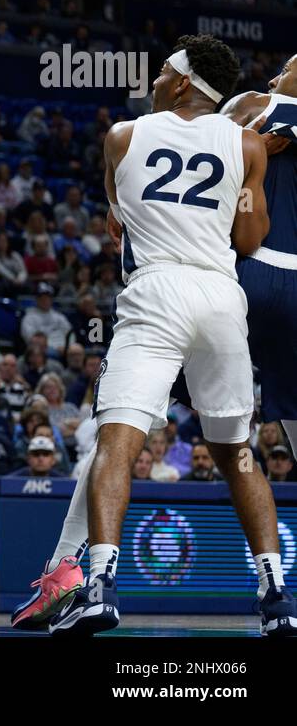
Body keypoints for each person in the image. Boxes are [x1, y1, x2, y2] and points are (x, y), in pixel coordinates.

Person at [52, 35, 296, 637]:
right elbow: (248, 237)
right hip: (220, 298)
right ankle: (275, 598)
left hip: (155, 291)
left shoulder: (122, 136)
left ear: (183, 83)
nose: (155, 80)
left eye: (163, 72)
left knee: (118, 442)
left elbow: (118, 218)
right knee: (238, 453)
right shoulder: (245, 145)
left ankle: (99, 586)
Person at [221, 54, 297, 451]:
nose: (272, 80)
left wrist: (252, 150)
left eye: (285, 70)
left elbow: (200, 154)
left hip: (248, 269)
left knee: (138, 398)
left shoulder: (257, 105)